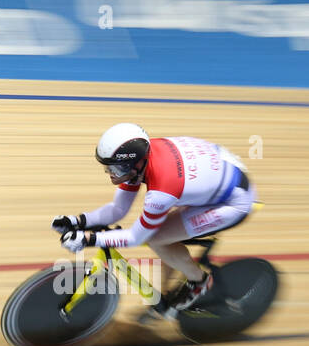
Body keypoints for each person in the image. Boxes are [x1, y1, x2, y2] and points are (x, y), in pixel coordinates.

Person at [53, 123, 258, 312]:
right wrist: (77, 221)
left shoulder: (161, 191)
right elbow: (118, 209)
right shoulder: (140, 159)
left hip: (233, 202)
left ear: (136, 164)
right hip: (217, 172)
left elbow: (136, 237)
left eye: (115, 168)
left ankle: (200, 281)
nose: (111, 174)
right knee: (165, 233)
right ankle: (169, 289)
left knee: (156, 238)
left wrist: (88, 239)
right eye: (108, 167)